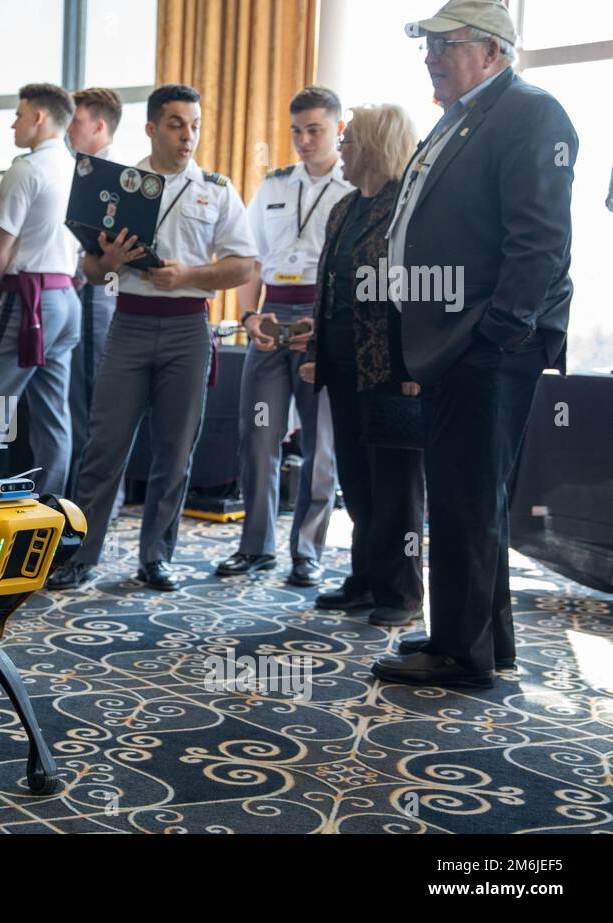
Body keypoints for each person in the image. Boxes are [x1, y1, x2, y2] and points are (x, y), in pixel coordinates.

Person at [372, 0, 577, 688]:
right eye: (426, 44)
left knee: (467, 497)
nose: (430, 55)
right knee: (464, 496)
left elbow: (540, 241)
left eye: (445, 43)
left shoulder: (529, 112)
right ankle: (478, 638)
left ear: (493, 51)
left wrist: (497, 333)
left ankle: (464, 655)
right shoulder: (462, 116)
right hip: (452, 341)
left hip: (486, 345)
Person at [49, 84, 257, 592]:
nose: (188, 135)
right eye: (176, 124)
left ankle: (155, 558)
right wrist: (111, 261)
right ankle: (81, 556)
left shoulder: (217, 188)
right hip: (130, 324)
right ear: (151, 128)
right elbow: (93, 273)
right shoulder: (119, 184)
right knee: (104, 446)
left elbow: (244, 266)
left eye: (195, 125)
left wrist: (187, 275)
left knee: (176, 450)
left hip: (189, 326)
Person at [217, 85, 351, 587]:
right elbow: (251, 259)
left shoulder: (351, 189)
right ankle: (256, 546)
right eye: (296, 130)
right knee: (258, 435)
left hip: (324, 317)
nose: (303, 140)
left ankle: (307, 551)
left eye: (314, 129)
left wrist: (331, 324)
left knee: (321, 442)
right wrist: (250, 315)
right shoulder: (273, 185)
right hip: (273, 313)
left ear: (338, 128)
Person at [298, 104, 424, 628]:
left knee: (396, 488)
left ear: (372, 149)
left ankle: (401, 593)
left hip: (392, 369)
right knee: (357, 481)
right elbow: (325, 289)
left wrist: (418, 362)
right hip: (343, 365)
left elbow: (420, 291)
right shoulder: (343, 208)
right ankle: (365, 580)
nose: (340, 151)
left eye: (348, 144)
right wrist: (314, 353)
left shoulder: (410, 208)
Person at [0, 82, 79, 496]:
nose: (13, 123)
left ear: (39, 118)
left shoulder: (26, 169)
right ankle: (49, 516)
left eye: (18, 114)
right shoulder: (77, 169)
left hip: (29, 300)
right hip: (67, 299)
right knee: (53, 417)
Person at [64, 87, 124, 511]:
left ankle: (88, 503)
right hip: (88, 293)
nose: (68, 128)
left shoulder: (108, 177)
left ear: (99, 127)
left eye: (76, 120)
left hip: (95, 295)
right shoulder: (88, 171)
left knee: (88, 399)